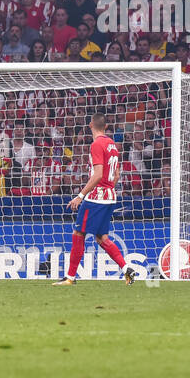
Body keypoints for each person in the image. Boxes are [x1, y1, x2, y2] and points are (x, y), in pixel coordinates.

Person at [54, 113, 139, 285]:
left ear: (90, 124)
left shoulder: (96, 144)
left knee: (78, 233)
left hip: (97, 197)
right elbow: (116, 174)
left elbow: (99, 174)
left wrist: (80, 196)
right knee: (102, 238)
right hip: (110, 197)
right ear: (106, 127)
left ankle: (70, 277)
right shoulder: (112, 145)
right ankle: (126, 269)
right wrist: (108, 188)